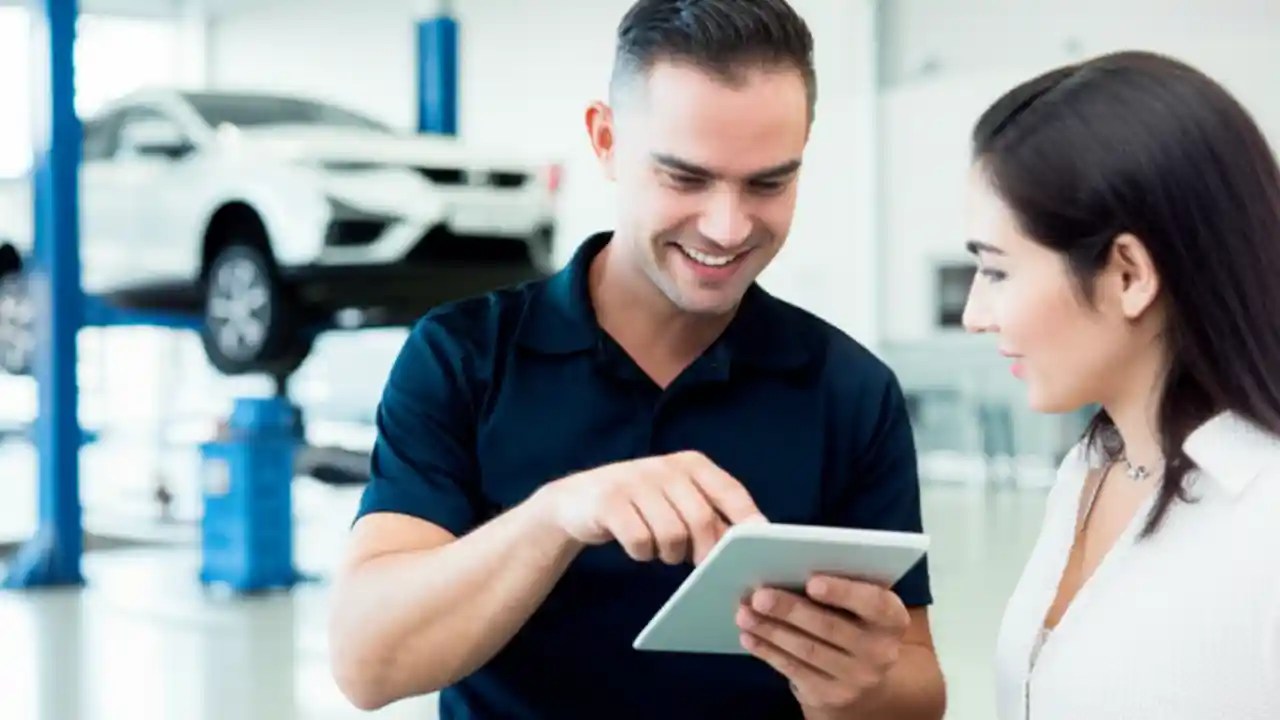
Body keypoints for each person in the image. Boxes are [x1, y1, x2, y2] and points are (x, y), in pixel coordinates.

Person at [328, 1, 947, 718]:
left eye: (768, 183)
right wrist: (556, 516)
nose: (727, 226)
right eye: (685, 178)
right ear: (606, 140)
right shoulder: (465, 357)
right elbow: (366, 666)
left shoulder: (850, 391)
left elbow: (916, 689)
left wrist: (858, 686)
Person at [962, 50, 1280, 720]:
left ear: (1129, 274)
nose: (973, 315)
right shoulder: (1090, 467)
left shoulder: (1265, 516)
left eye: (995, 272)